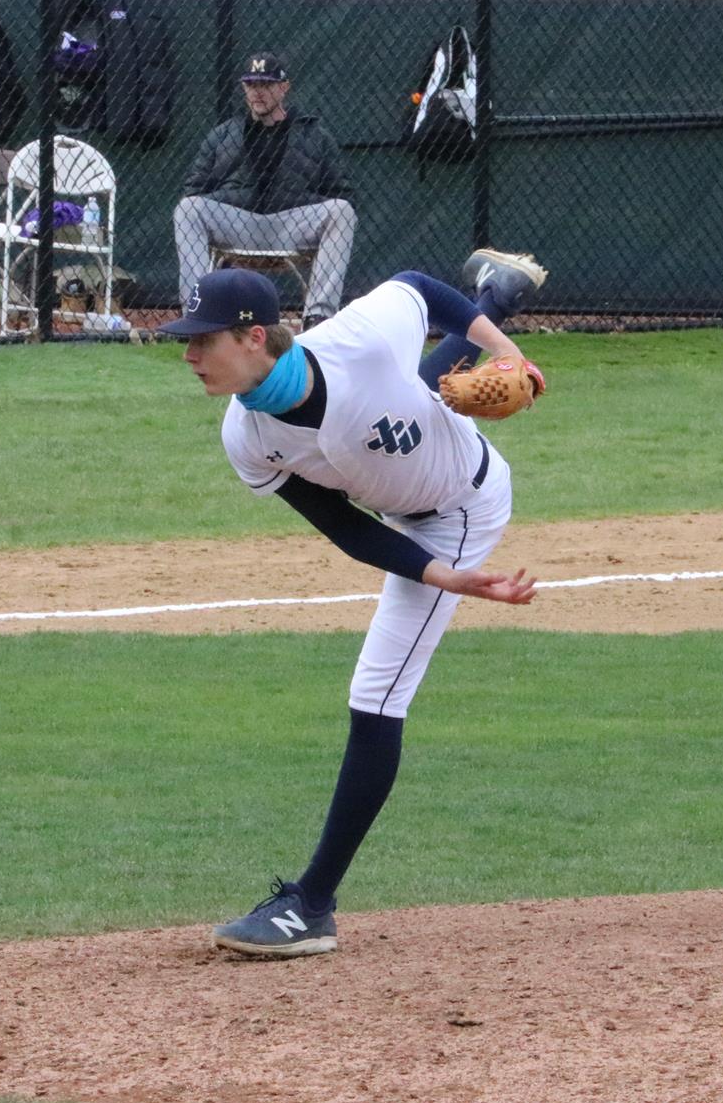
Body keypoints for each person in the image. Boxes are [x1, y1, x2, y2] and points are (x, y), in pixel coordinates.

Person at [161, 247, 548, 958]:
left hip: (460, 507)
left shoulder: (358, 338)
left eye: (202, 339)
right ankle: (502, 289)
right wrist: (439, 576)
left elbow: (422, 290)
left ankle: (312, 904)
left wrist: (508, 353)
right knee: (411, 399)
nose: (189, 355)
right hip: (402, 501)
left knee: (377, 695)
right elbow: (343, 525)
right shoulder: (246, 436)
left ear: (253, 338)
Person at [175, 50, 355, 328]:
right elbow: (194, 188)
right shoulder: (224, 133)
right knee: (187, 209)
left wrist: (307, 202)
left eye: (266, 85)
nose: (257, 92)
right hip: (238, 221)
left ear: (284, 88)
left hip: (291, 225)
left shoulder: (313, 135)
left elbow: (342, 192)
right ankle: (199, 310)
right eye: (251, 85)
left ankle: (318, 317)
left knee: (342, 212)